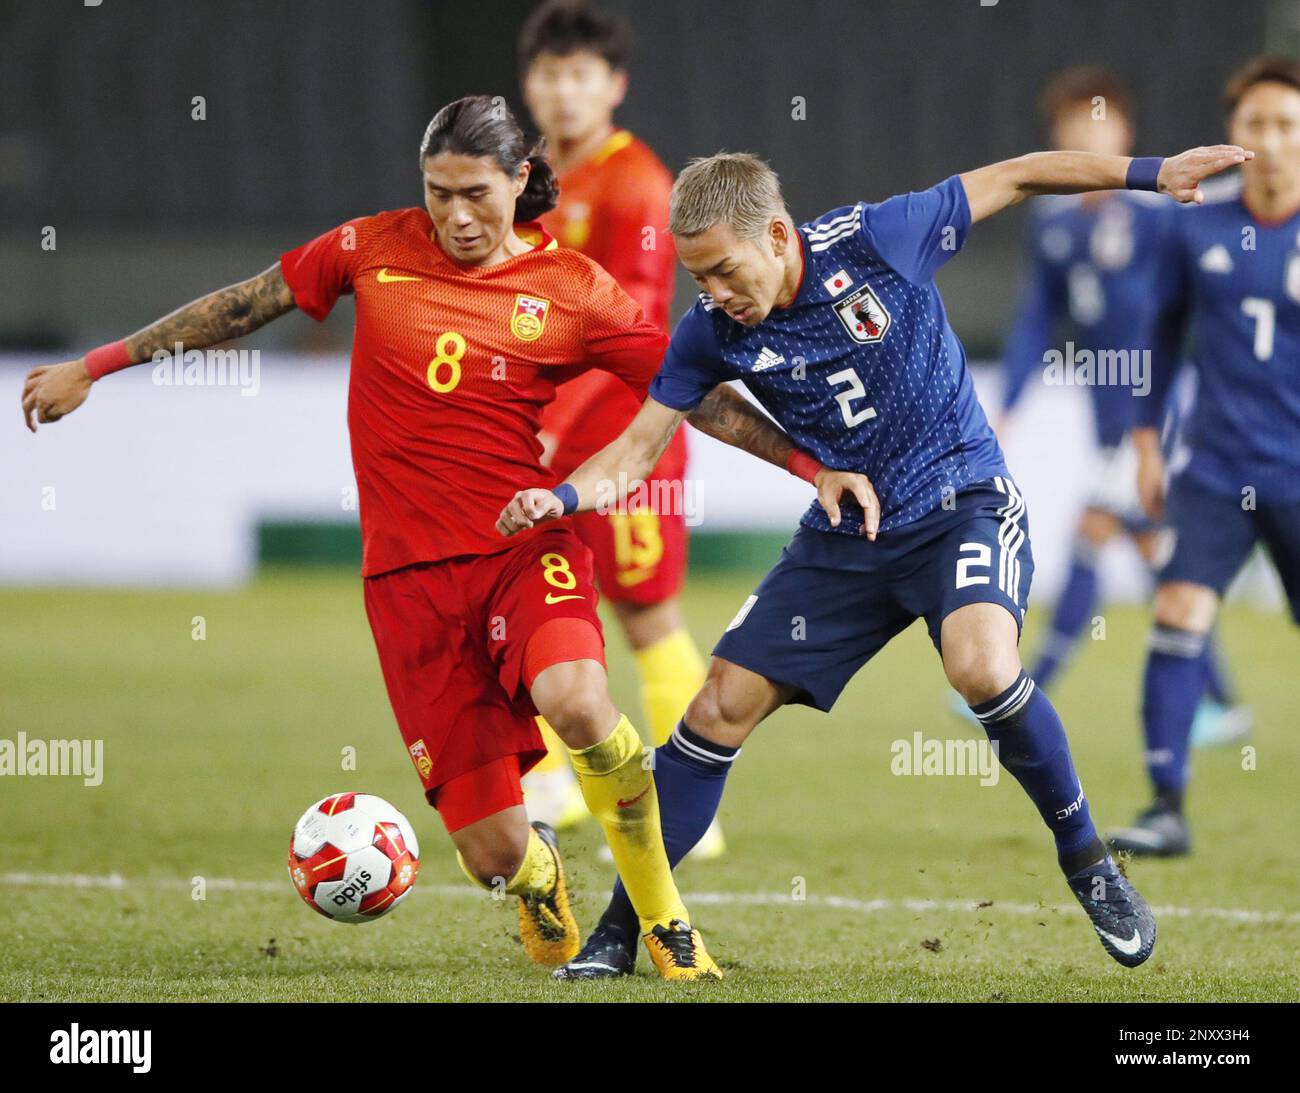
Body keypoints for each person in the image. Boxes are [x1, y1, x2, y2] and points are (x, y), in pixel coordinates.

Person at [19, 95, 805, 980]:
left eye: (476, 192)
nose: (457, 215)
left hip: (522, 547)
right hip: (408, 584)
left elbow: (690, 390)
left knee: (579, 700)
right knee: (492, 854)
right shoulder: (368, 248)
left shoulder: (574, 289)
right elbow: (244, 307)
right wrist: (98, 364)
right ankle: (539, 871)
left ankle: (664, 923)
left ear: (519, 180)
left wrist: (812, 468)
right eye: (438, 193)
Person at [500, 140, 1249, 978]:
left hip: (961, 503)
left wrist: (1153, 174)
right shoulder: (709, 332)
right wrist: (560, 498)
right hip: (847, 533)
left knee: (980, 666)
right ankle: (622, 926)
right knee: (717, 707)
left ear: (778, 235)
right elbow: (637, 449)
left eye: (722, 270)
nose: (711, 292)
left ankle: (1087, 858)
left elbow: (1018, 174)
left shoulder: (880, 239)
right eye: (696, 276)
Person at [517, 0, 725, 858]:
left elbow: (634, 330)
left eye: (581, 76)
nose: (564, 92)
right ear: (529, 84)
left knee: (645, 613)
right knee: (533, 606)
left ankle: (689, 809)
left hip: (624, 441)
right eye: (550, 75)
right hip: (548, 435)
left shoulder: (636, 180)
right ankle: (549, 784)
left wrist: (550, 422)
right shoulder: (526, 172)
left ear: (615, 86)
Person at [995, 67, 1249, 748]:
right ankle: (1222, 700)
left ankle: (1022, 688)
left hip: (1162, 412)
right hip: (1104, 414)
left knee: (1095, 525)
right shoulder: (1053, 225)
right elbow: (1031, 324)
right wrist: (1008, 406)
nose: (1086, 135)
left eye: (1097, 121)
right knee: (1159, 549)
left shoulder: (1169, 217)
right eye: (1072, 125)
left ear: (1125, 131)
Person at [1109, 57, 1300, 858]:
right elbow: (1153, 337)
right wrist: (1147, 440)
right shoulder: (1193, 222)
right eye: (1256, 124)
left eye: (1287, 125)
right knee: (1178, 613)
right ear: (1234, 134)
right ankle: (1166, 806)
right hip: (1217, 467)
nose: (1272, 139)